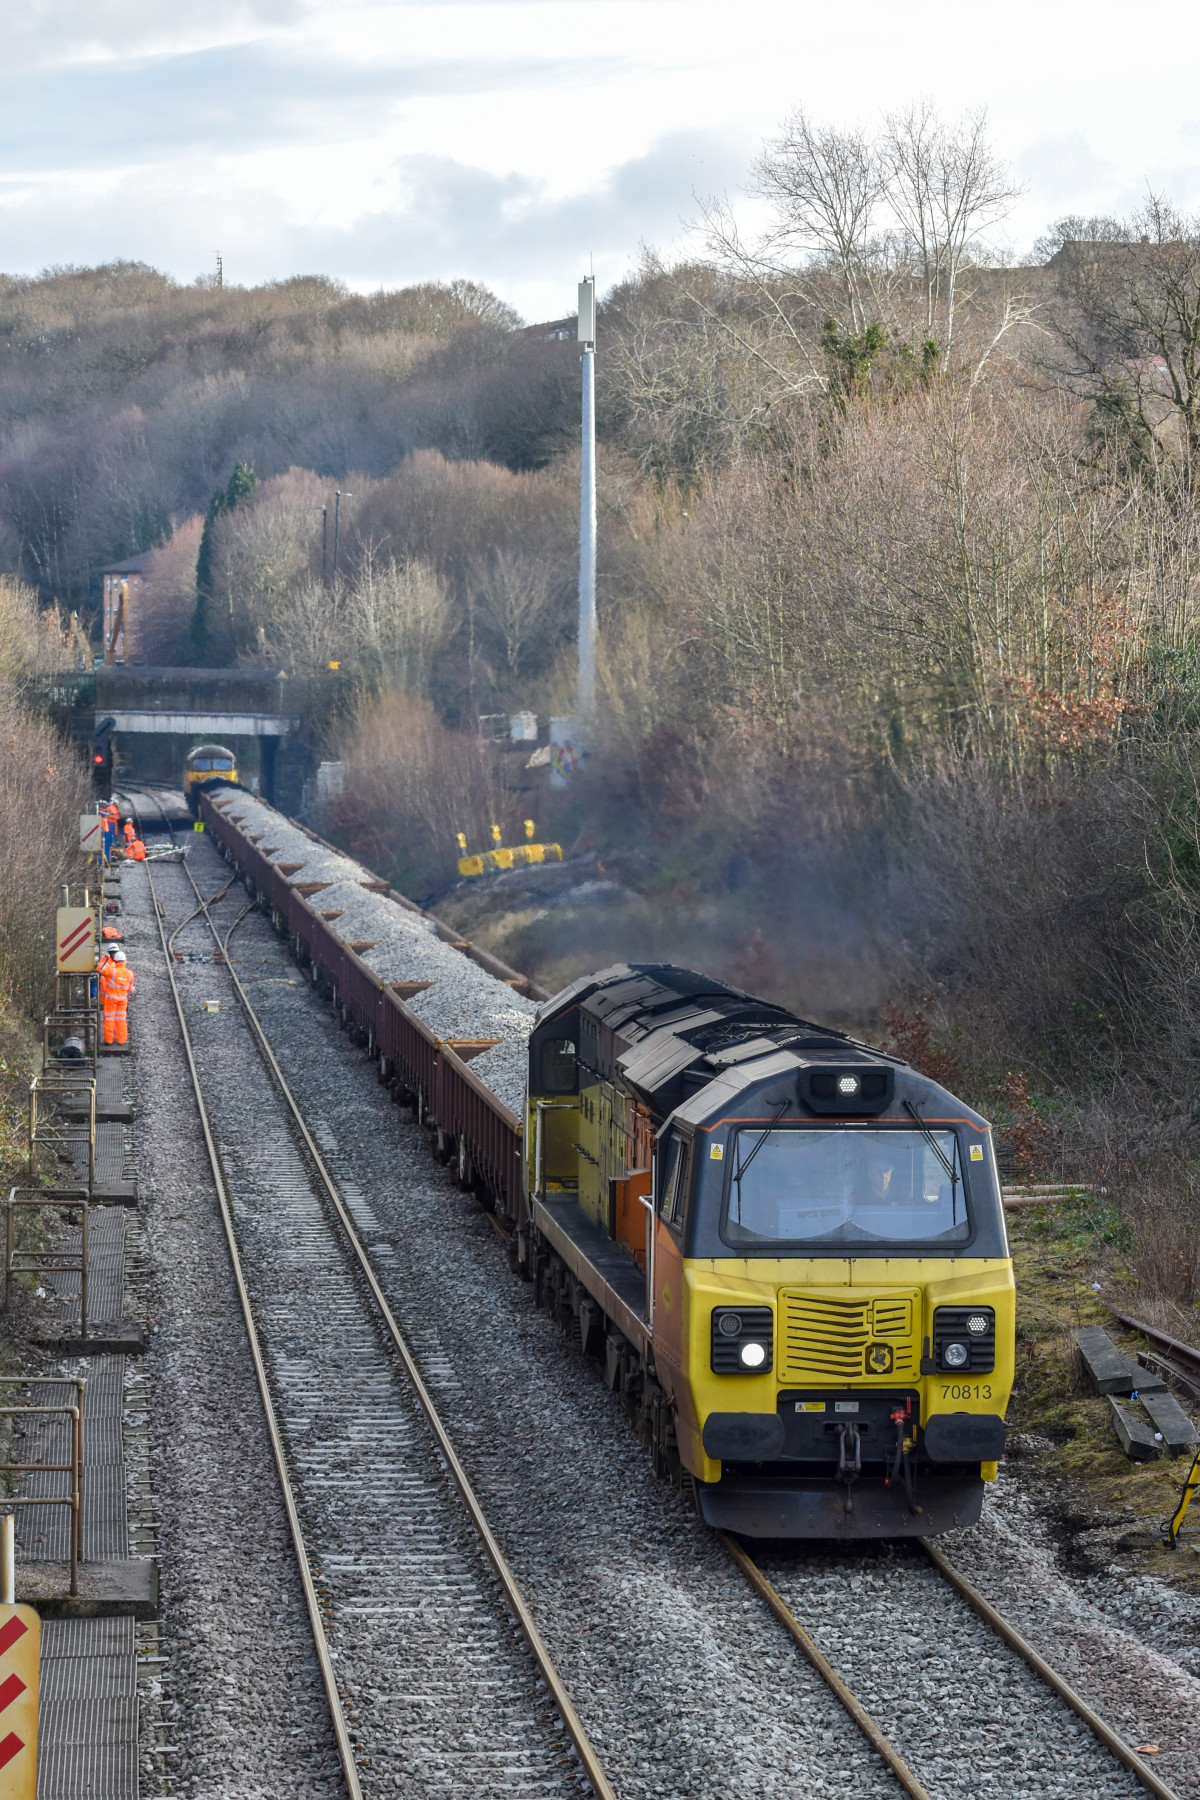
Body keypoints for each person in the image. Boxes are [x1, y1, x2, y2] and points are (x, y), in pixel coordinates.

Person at [99, 947, 135, 1046]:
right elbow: (129, 988)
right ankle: (121, 1040)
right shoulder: (130, 974)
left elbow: (100, 970)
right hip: (122, 1000)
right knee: (121, 1020)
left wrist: (105, 959)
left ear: (115, 960)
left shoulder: (112, 971)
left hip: (110, 999)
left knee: (109, 1019)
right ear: (125, 961)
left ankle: (108, 1041)